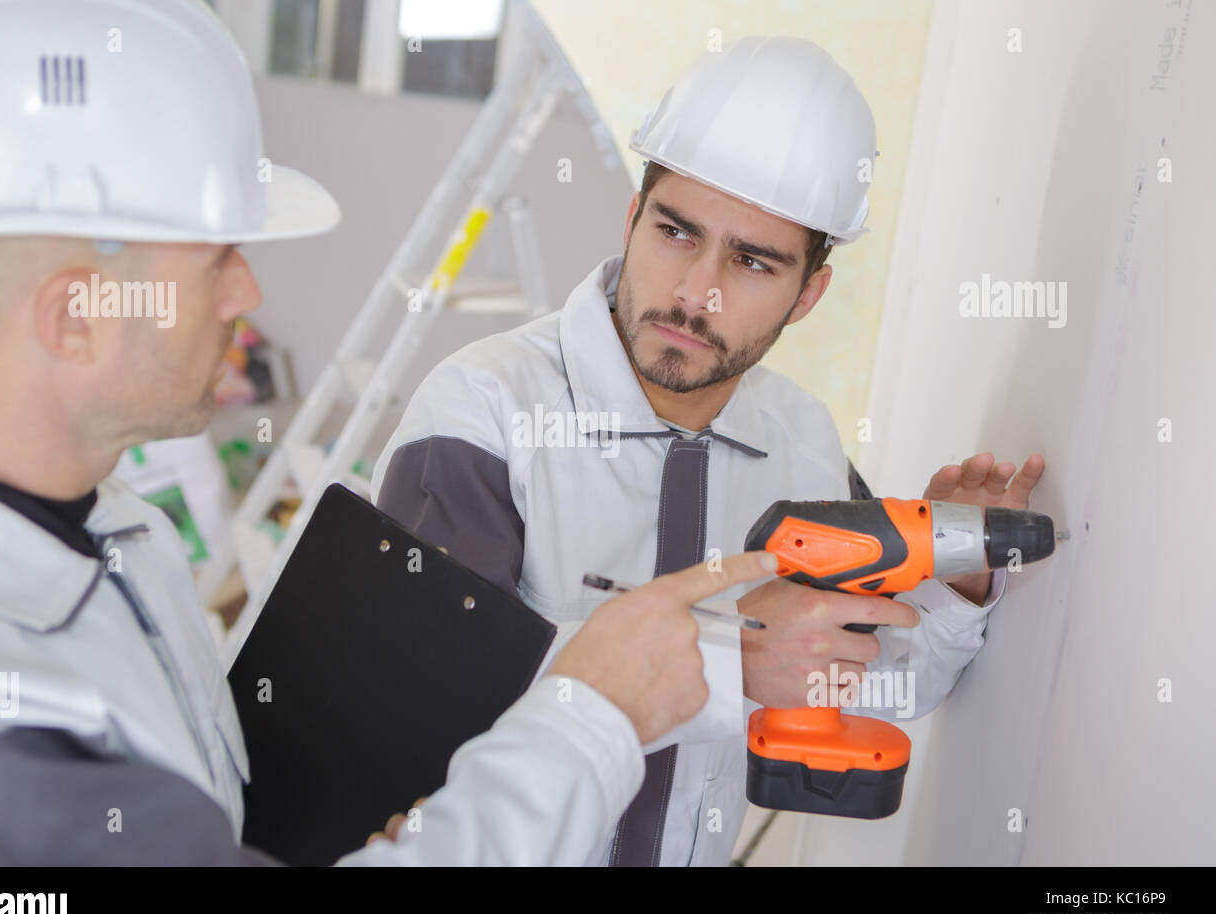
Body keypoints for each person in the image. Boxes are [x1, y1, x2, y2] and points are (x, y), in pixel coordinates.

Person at [0, 0, 780, 866]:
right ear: (78, 316)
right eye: (218, 258)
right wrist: (594, 717)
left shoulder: (107, 526)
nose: (248, 294)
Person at [372, 35, 1048, 866]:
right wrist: (745, 661)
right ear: (633, 217)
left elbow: (872, 683)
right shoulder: (485, 408)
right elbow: (428, 680)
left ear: (808, 295)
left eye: (754, 262)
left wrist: (956, 583)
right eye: (678, 232)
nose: (698, 292)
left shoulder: (802, 442)